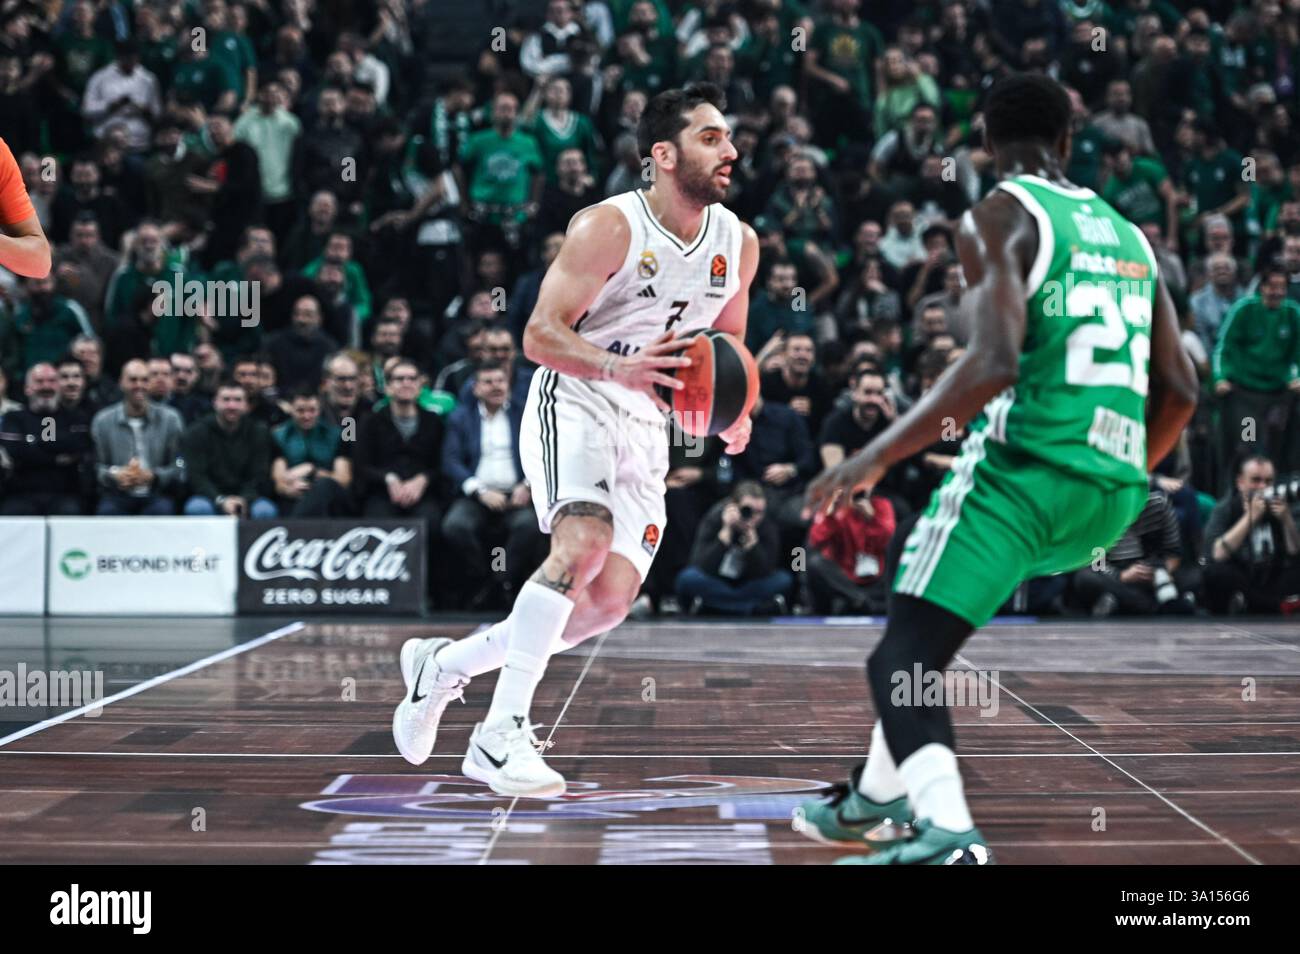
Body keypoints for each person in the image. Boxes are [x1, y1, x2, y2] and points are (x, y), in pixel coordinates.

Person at [793, 74, 1199, 864]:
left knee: (899, 657)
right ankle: (869, 802)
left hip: (1021, 479)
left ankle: (948, 831)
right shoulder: (1130, 235)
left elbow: (990, 363)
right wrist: (1120, 471)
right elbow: (1182, 390)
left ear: (984, 140)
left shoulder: (999, 214)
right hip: (1115, 496)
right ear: (1070, 143)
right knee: (928, 647)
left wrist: (876, 455)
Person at [389, 83, 758, 798]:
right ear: (662, 153)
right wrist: (622, 365)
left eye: (729, 137)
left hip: (649, 422)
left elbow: (732, 345)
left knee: (607, 603)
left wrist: (734, 414)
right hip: (579, 394)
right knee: (581, 546)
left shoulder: (738, 242)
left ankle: (446, 666)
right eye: (711, 137)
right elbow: (537, 335)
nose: (731, 151)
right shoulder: (607, 226)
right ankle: (499, 736)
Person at [439, 363, 542, 608]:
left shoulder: (524, 413)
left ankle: (501, 582)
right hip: (478, 495)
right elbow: (450, 460)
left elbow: (541, 452)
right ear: (475, 389)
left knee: (530, 526)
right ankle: (483, 579)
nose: (496, 386)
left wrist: (527, 485)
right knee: (455, 526)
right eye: (488, 381)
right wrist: (480, 490)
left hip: (517, 493)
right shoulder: (461, 417)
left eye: (500, 381)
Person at [675, 480, 794, 615]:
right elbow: (700, 564)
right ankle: (744, 607)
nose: (754, 517)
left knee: (784, 579)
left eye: (759, 512)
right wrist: (724, 536)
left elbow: (766, 570)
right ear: (733, 506)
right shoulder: (715, 517)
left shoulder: (766, 524)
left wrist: (752, 546)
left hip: (751, 584)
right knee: (687, 578)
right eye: (748, 511)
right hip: (717, 581)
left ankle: (721, 606)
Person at [1201, 454, 1300, 613]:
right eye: (1256, 480)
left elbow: (1294, 552)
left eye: (1268, 481)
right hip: (1242, 578)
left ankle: (1256, 604)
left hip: (1272, 577)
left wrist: (1286, 519)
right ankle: (1272, 606)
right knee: (1216, 573)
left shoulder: (1281, 505)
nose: (1263, 487)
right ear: (1240, 482)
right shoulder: (1226, 508)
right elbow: (1217, 554)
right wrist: (1250, 518)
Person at [91, 359, 185, 515]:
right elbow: (95, 466)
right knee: (107, 512)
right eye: (133, 380)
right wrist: (115, 474)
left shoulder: (171, 419)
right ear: (121, 383)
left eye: (144, 380)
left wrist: (154, 477)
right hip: (116, 495)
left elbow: (180, 464)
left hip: (157, 494)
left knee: (162, 511)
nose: (139, 385)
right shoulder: (102, 421)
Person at [181, 380, 278, 518]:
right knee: (197, 508)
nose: (232, 406)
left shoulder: (259, 431)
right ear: (215, 402)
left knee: (265, 511)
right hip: (210, 497)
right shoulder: (196, 432)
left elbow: (260, 474)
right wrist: (220, 500)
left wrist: (243, 499)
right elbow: (196, 476)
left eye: (238, 400)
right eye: (226, 400)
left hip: (248, 498)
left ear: (246, 405)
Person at [271, 387, 351, 517]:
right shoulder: (278, 436)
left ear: (319, 410)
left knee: (323, 486)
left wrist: (312, 471)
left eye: (312, 410)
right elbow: (279, 480)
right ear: (291, 409)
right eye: (300, 411)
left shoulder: (338, 435)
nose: (307, 416)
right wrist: (288, 490)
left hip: (330, 498)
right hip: (292, 496)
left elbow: (343, 480)